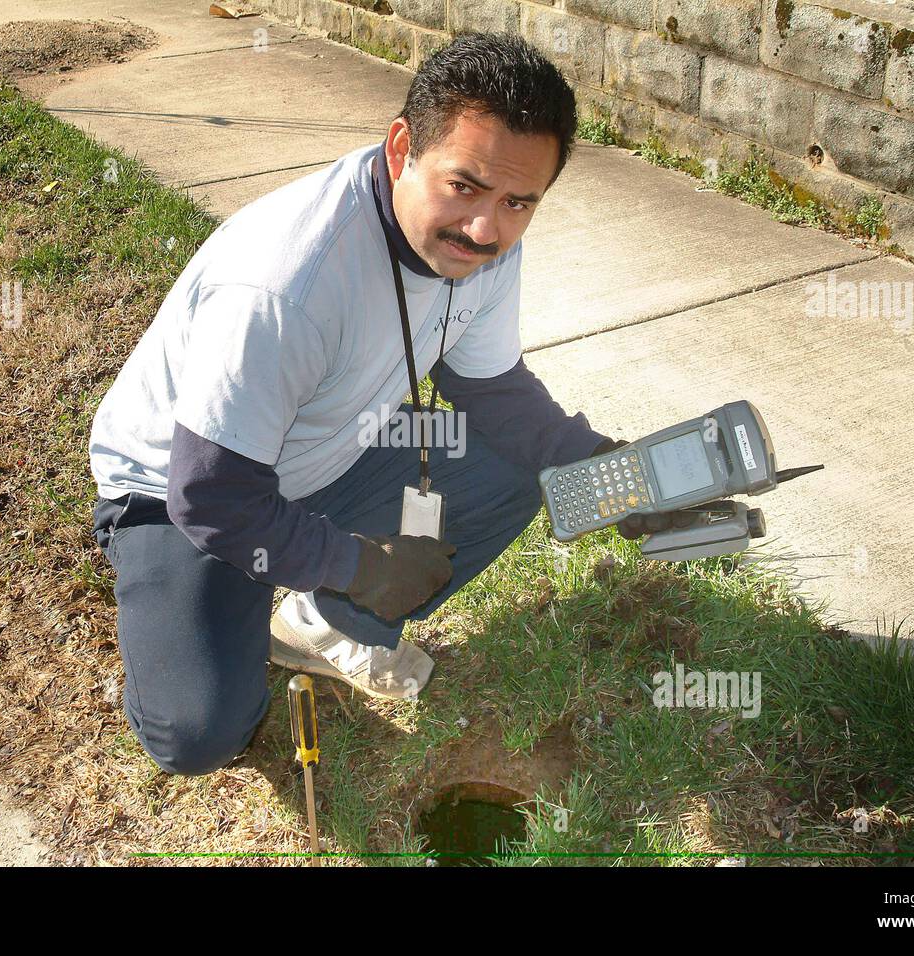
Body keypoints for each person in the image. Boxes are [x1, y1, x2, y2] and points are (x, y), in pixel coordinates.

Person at [88, 31, 671, 777]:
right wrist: (356, 562)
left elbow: (490, 389)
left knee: (520, 463)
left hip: (326, 447)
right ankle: (221, 598)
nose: (486, 229)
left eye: (519, 201)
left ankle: (319, 623)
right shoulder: (284, 284)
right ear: (401, 149)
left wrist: (609, 470)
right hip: (179, 492)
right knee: (199, 733)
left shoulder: (487, 239)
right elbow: (211, 496)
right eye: (463, 186)